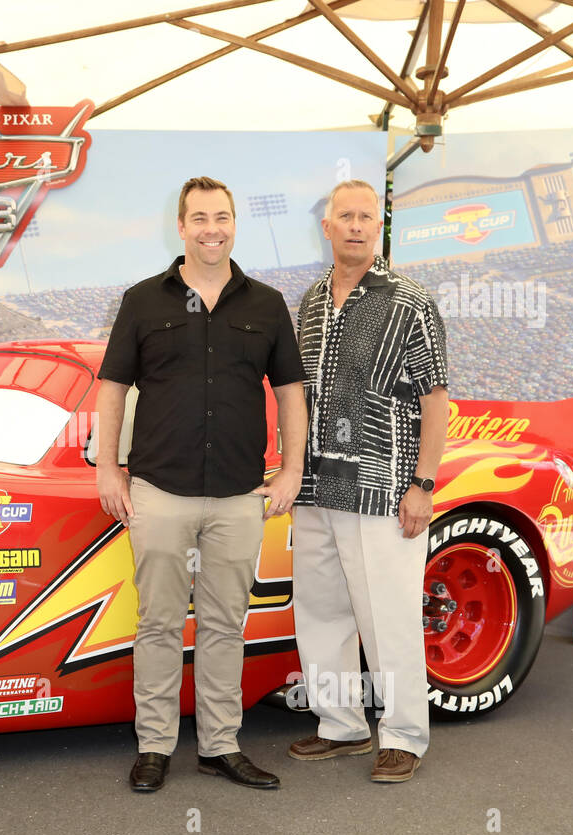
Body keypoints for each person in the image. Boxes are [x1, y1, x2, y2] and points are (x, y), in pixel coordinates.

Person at [94, 176, 307, 793]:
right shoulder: (142, 300)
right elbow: (113, 389)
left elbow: (291, 393)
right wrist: (108, 466)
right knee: (158, 624)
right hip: (159, 490)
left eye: (223, 217)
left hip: (241, 495)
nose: (212, 228)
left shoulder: (266, 305)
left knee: (223, 626)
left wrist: (291, 468)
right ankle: (155, 746)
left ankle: (219, 745)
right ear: (181, 227)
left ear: (233, 223)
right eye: (200, 218)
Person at [287, 179, 449, 783]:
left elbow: (437, 399)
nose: (356, 226)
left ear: (377, 229)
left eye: (366, 217)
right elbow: (297, 395)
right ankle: (342, 725)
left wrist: (423, 484)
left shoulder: (409, 301)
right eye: (344, 216)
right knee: (322, 611)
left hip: (384, 489)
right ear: (325, 227)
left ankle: (405, 734)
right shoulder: (307, 302)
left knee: (389, 615)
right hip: (315, 489)